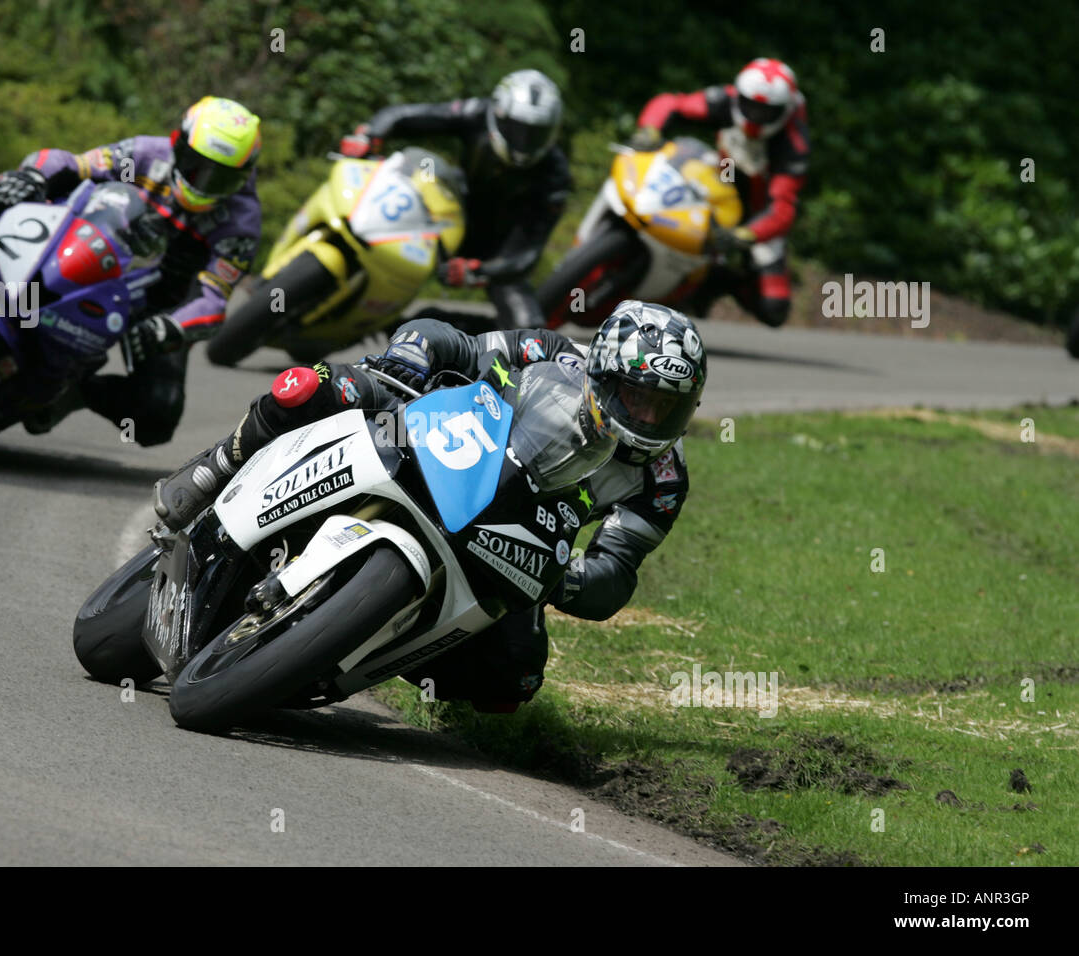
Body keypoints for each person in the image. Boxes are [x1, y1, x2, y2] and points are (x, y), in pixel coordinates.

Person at [153, 300, 706, 711]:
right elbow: (449, 340)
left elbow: (617, 568)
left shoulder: (663, 479)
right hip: (443, 446)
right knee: (314, 385)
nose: (648, 418)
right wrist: (410, 357)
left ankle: (353, 648)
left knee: (512, 683)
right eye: (638, 397)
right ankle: (215, 468)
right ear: (603, 374)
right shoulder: (554, 355)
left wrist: (570, 580)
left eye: (666, 407)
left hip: (517, 537)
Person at [0, 96, 263, 446]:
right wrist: (33, 175)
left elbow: (214, 299)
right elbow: (71, 164)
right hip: (84, 247)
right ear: (178, 144)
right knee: (5, 191)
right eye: (198, 167)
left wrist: (171, 327)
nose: (205, 183)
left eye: (223, 178)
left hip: (155, 304)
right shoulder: (146, 154)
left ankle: (73, 392)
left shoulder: (243, 222)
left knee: (157, 416)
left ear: (245, 175)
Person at [336, 69, 571, 331]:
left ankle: (428, 329)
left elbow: (527, 251)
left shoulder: (555, 174)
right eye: (518, 129)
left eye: (535, 133)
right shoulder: (476, 112)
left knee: (530, 331)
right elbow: (405, 115)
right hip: (447, 212)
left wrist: (481, 270)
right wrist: (370, 135)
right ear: (499, 112)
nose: (524, 141)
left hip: (495, 249)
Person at [632, 58, 809, 328]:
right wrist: (649, 129)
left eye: (766, 111)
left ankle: (714, 283)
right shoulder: (725, 99)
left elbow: (783, 207)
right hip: (719, 179)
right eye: (751, 106)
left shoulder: (793, 144)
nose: (756, 115)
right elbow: (670, 104)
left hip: (759, 212)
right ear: (739, 95)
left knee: (774, 308)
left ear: (784, 109)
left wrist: (744, 235)